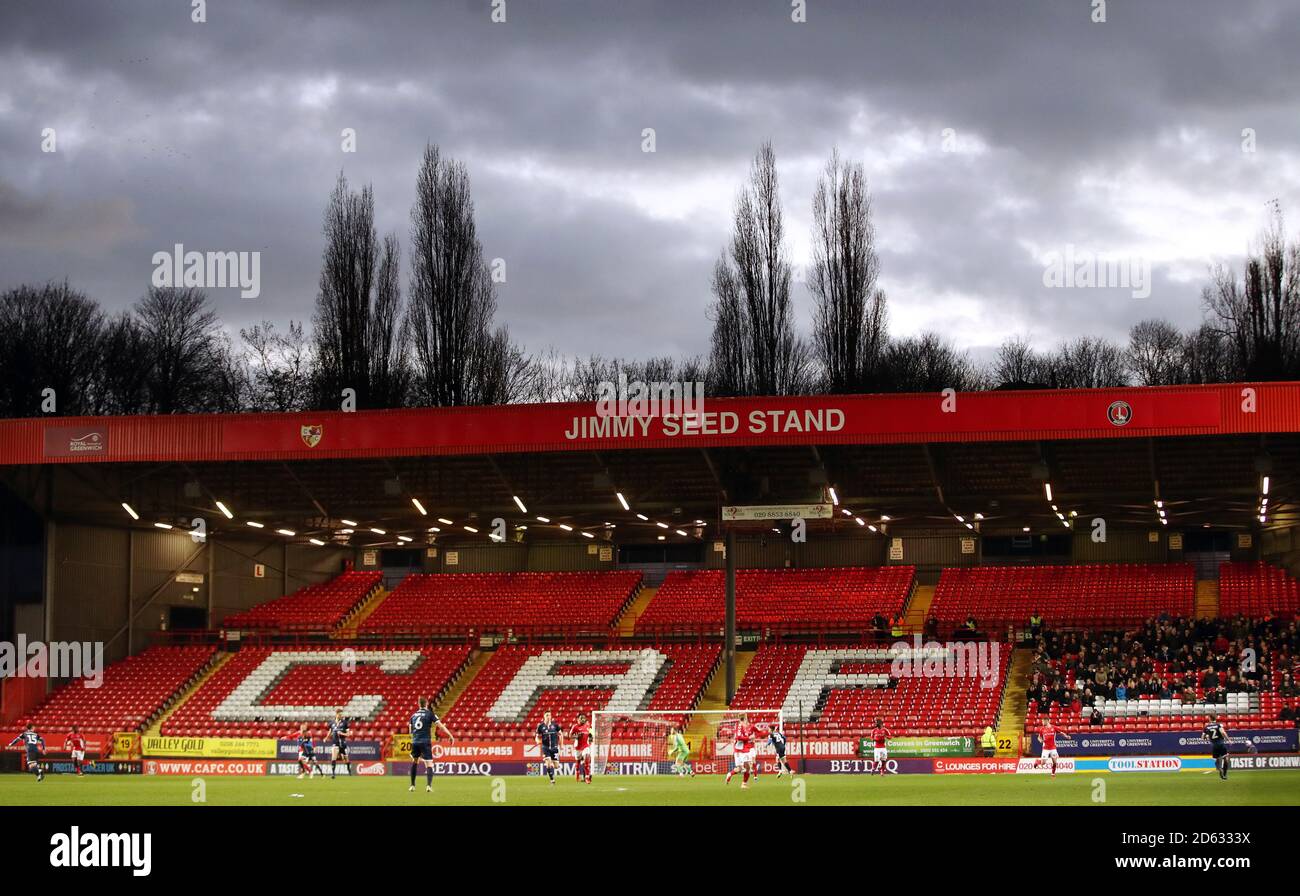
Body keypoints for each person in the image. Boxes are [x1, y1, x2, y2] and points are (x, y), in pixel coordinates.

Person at [409, 696, 454, 793]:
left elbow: (410, 732)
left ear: (418, 704)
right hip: (425, 741)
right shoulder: (430, 714)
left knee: (415, 761)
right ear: (426, 704)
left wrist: (415, 741)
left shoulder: (413, 716)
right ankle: (428, 786)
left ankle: (412, 786)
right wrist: (450, 735)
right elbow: (440, 726)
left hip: (415, 741)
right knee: (429, 764)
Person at [724, 714, 758, 789]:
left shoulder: (742, 727)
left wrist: (749, 738)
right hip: (740, 751)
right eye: (746, 719)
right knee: (745, 768)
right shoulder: (740, 726)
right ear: (744, 719)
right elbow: (739, 737)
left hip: (741, 750)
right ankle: (742, 782)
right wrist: (749, 738)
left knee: (742, 768)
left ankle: (732, 776)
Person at [535, 711, 564, 785]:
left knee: (556, 766)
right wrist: (538, 741)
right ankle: (552, 780)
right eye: (547, 715)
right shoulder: (540, 726)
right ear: (544, 717)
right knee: (548, 764)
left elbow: (561, 735)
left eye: (549, 715)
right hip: (546, 747)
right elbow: (537, 737)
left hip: (554, 747)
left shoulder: (555, 725)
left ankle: (551, 762)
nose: (548, 716)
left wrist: (561, 744)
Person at [1203, 714, 1230, 781]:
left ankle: (1219, 769)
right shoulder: (1219, 725)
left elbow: (1202, 737)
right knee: (1226, 758)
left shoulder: (1206, 727)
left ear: (1210, 718)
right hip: (1221, 744)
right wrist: (1228, 740)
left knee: (1217, 760)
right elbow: (1223, 733)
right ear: (1215, 718)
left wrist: (1207, 737)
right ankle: (1225, 773)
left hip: (1214, 745)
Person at [568, 712, 592, 783]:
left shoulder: (588, 725)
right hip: (578, 747)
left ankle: (587, 777)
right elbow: (570, 736)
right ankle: (577, 774)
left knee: (586, 759)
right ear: (578, 719)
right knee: (578, 762)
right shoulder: (575, 727)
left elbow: (591, 733)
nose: (583, 719)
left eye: (584, 718)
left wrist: (591, 737)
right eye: (581, 718)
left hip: (586, 746)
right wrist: (576, 736)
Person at [328, 709, 351, 779]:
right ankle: (333, 774)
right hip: (335, 743)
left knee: (346, 759)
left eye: (341, 714)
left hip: (343, 743)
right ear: (336, 714)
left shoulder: (345, 723)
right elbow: (330, 731)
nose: (341, 716)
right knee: (333, 757)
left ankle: (349, 770)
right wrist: (326, 737)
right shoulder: (331, 723)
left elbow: (348, 734)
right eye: (340, 714)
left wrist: (342, 733)